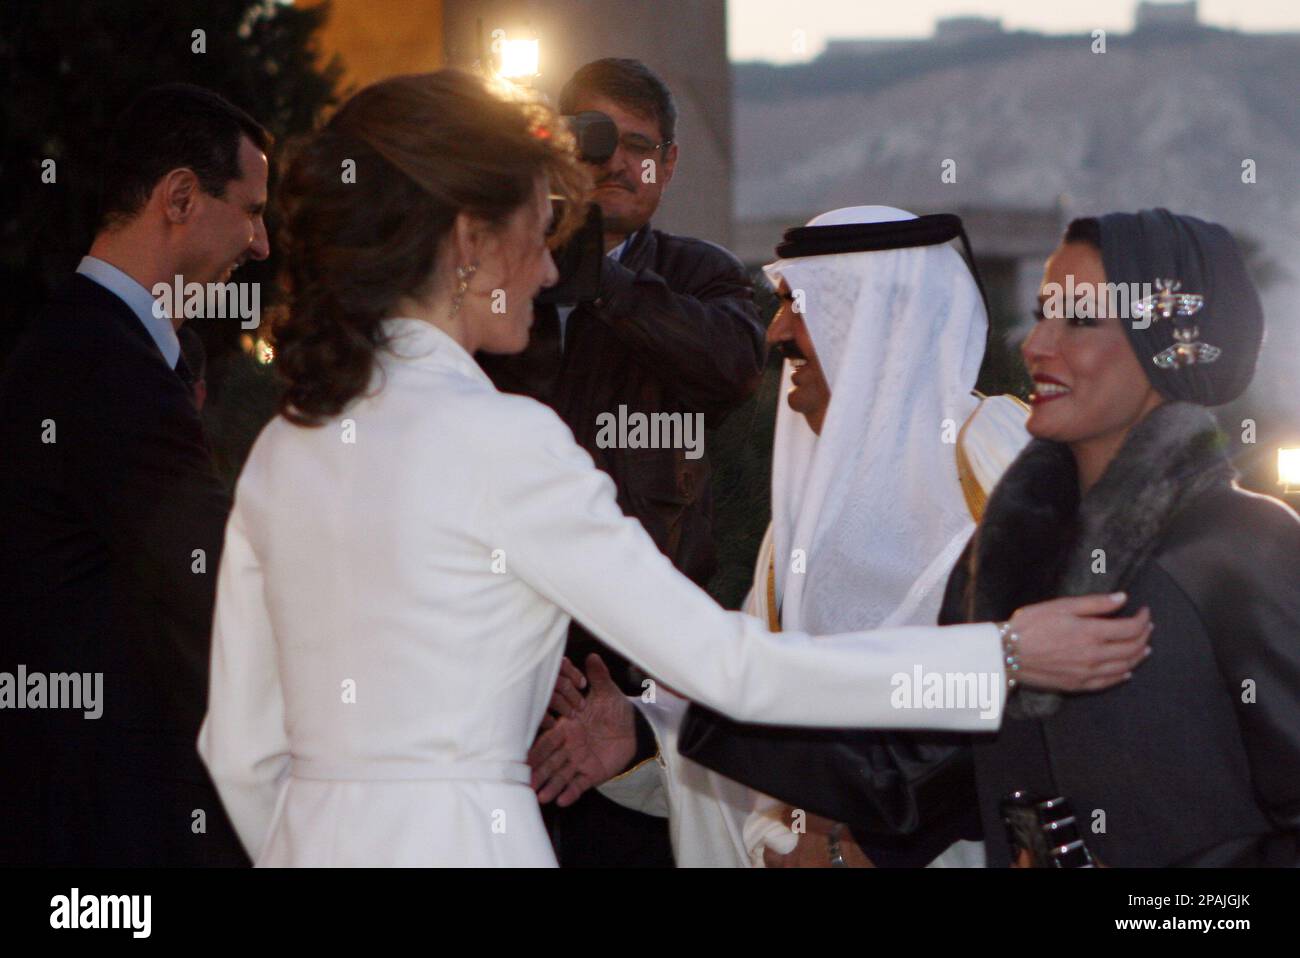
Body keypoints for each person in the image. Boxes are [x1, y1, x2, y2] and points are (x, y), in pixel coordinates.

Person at [196, 71, 1150, 868]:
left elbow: (236, 749)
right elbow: (737, 668)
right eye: (542, 234)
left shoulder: (288, 443)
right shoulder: (506, 440)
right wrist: (1004, 655)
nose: (551, 273)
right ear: (467, 244)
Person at [528, 208, 1041, 867]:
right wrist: (643, 734)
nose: (777, 334)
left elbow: (1038, 696)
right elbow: (770, 708)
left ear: (880, 321)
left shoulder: (994, 459)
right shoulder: (802, 526)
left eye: (800, 305)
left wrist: (867, 847)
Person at [939, 210, 1300, 866]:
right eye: (1042, 311)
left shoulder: (1244, 546)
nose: (1035, 344)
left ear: (1167, 346)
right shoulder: (1005, 551)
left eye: (1078, 318)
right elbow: (930, 775)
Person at [478, 56, 766, 867]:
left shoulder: (698, 273)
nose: (615, 164)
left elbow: (733, 366)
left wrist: (599, 274)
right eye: (594, 142)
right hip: (504, 657)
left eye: (637, 146)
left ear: (669, 164)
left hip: (642, 679)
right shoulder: (503, 275)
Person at [0, 83, 270, 865]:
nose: (263, 245)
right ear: (180, 197)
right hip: (104, 829)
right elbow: (218, 585)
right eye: (252, 211)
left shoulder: (96, 344)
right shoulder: (102, 365)